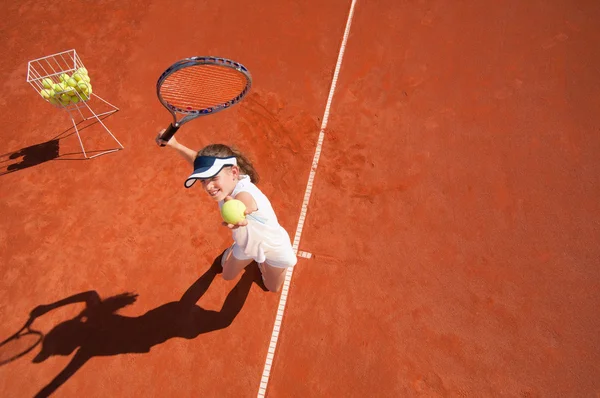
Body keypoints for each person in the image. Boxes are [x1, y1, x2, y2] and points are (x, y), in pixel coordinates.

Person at [155, 130, 297, 292]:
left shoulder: (244, 192)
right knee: (227, 275)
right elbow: (198, 161)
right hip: (245, 245)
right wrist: (175, 145)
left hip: (274, 247)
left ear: (235, 172)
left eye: (214, 178)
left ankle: (263, 263)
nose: (208, 186)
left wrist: (241, 211)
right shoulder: (229, 178)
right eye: (203, 180)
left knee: (272, 288)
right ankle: (240, 252)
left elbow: (246, 202)